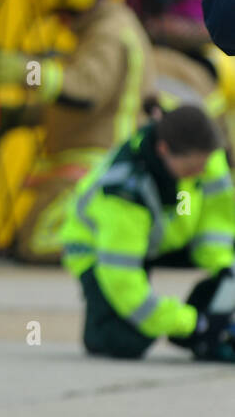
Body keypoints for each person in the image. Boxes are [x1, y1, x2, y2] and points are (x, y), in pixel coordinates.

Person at [0, 0, 155, 263]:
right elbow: (80, 104)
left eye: (61, 14)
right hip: (97, 163)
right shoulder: (108, 28)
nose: (61, 24)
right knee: (34, 239)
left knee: (38, 241)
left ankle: (113, 249)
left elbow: (87, 92)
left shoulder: (109, 34)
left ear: (76, 0)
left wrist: (27, 72)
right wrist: (22, 116)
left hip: (98, 165)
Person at [60, 104, 235, 361]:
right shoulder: (124, 193)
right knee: (127, 340)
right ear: (163, 150)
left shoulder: (206, 155)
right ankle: (103, 329)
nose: (200, 173)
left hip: (163, 235)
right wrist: (189, 322)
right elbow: (125, 283)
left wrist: (223, 269)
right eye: (191, 169)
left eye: (204, 165)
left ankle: (208, 325)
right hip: (102, 251)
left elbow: (218, 216)